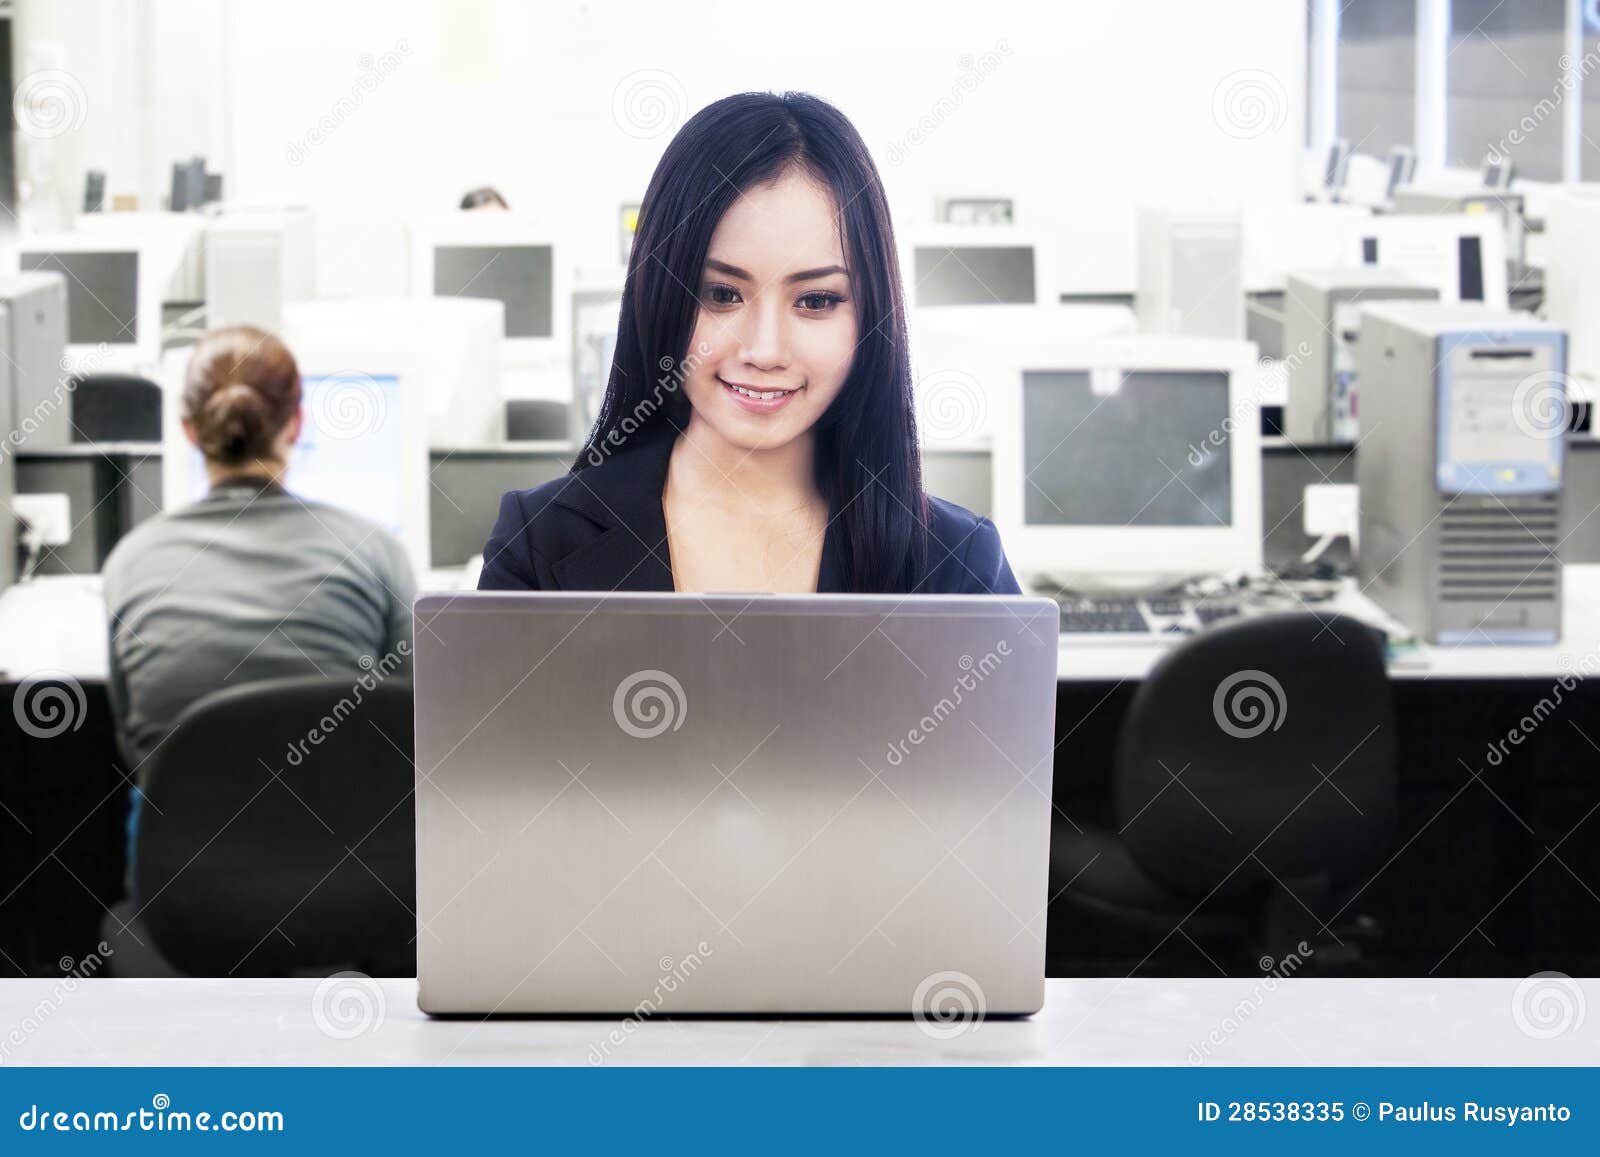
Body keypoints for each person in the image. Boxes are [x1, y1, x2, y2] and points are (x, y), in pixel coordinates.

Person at [478, 92, 1020, 595]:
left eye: (815, 301)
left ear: (873, 314)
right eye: (721, 294)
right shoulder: (540, 545)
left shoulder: (958, 563)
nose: (764, 350)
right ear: (660, 293)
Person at [103, 326, 415, 791]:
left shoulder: (130, 562)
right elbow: (411, 724)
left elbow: (133, 743)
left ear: (189, 430)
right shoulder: (375, 553)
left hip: (182, 855)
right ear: (296, 423)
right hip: (344, 852)